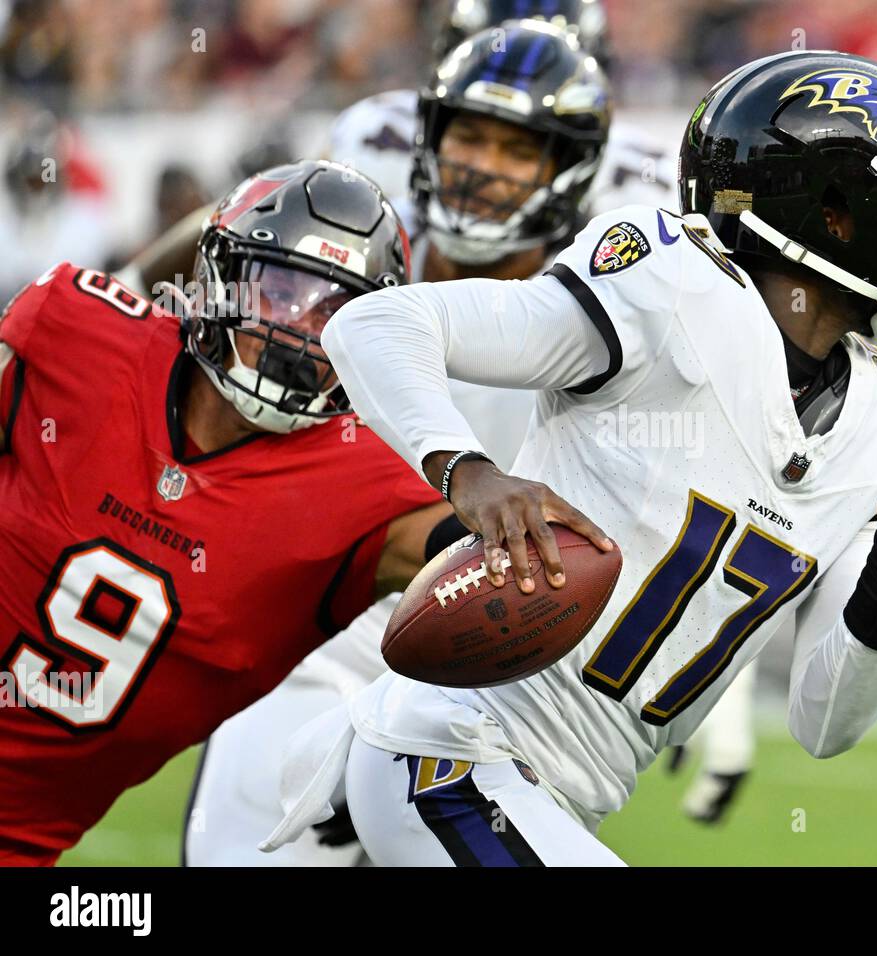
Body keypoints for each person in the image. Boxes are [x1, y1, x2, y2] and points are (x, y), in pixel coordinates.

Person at [263, 50, 877, 866]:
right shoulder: (671, 283)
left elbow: (826, 724)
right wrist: (470, 475)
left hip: (561, 795)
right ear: (834, 208)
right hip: (455, 748)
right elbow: (375, 326)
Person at [184, 19, 614, 866]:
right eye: (469, 137)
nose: (483, 166)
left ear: (567, 170)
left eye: (517, 149)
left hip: (491, 673)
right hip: (312, 636)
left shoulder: (605, 316)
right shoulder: (351, 260)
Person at [0, 159, 452, 865]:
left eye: (332, 310)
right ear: (218, 280)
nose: (299, 330)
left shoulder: (369, 487)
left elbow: (519, 588)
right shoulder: (74, 331)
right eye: (279, 291)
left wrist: (402, 734)